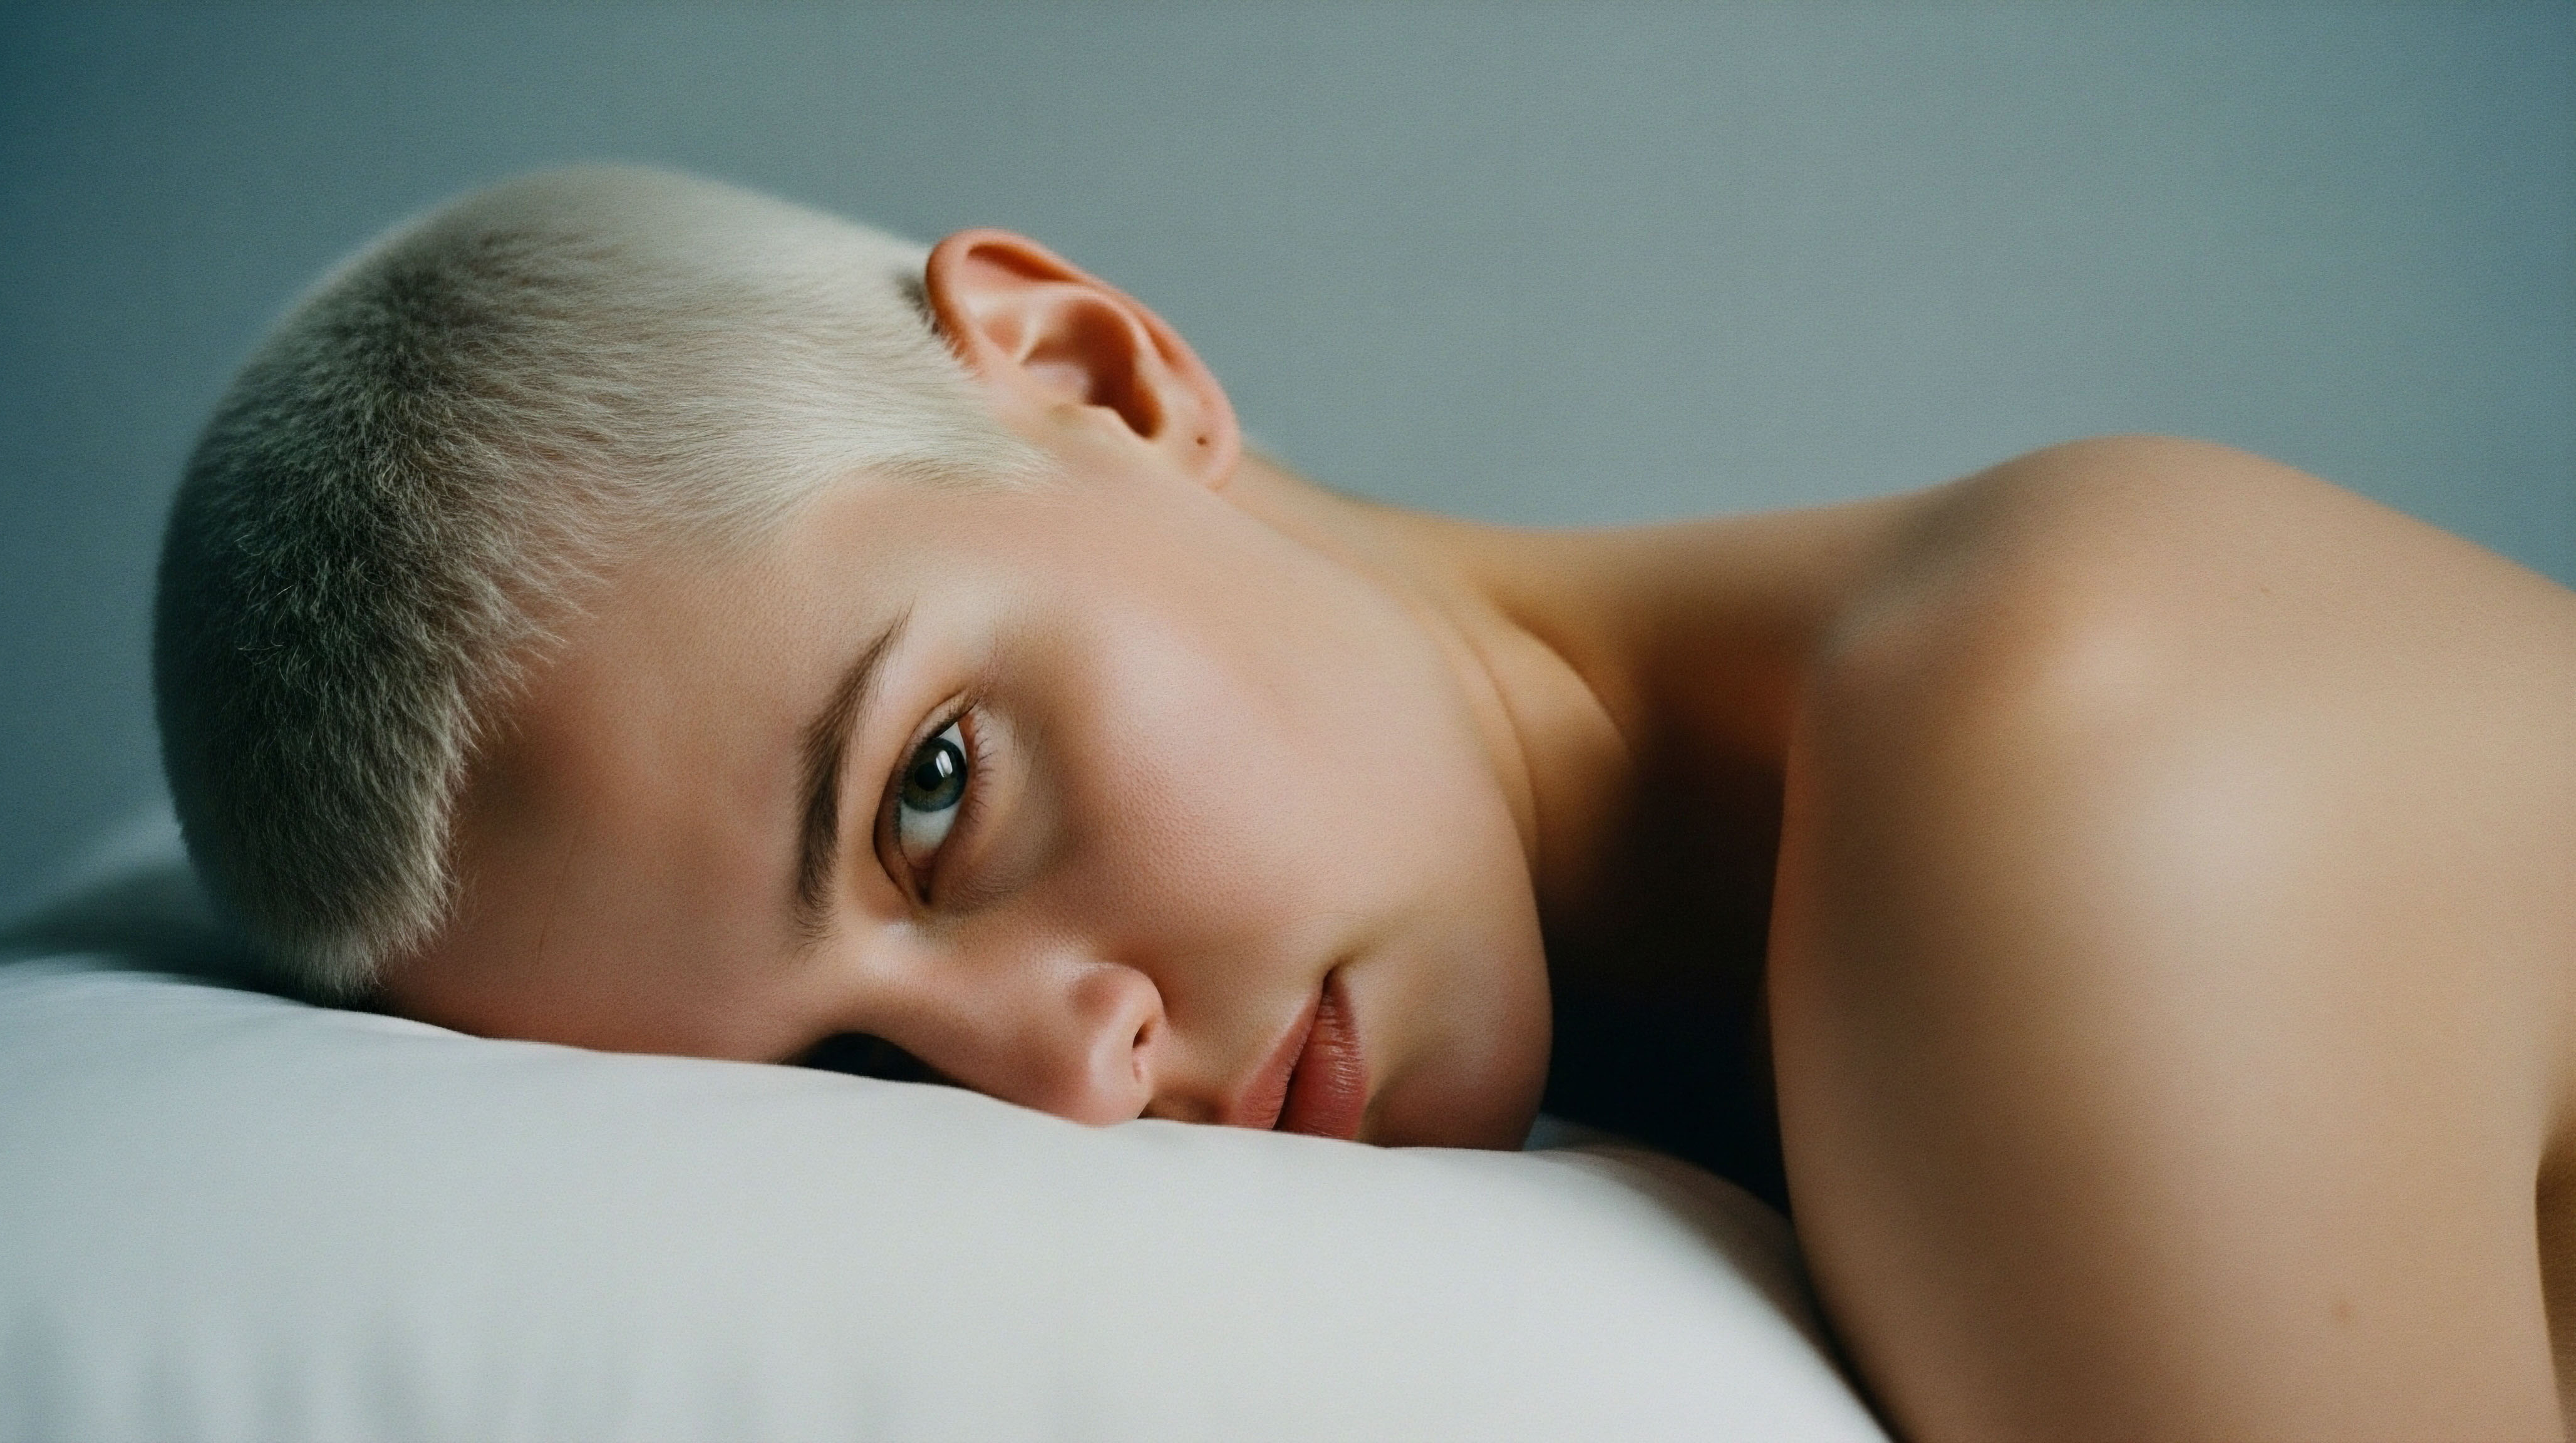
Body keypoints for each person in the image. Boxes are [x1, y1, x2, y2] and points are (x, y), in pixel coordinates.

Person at [156, 166, 2576, 1440]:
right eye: (857, 1076)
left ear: (1094, 369)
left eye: (933, 792)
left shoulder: (2053, 773)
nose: (1066, 1080)